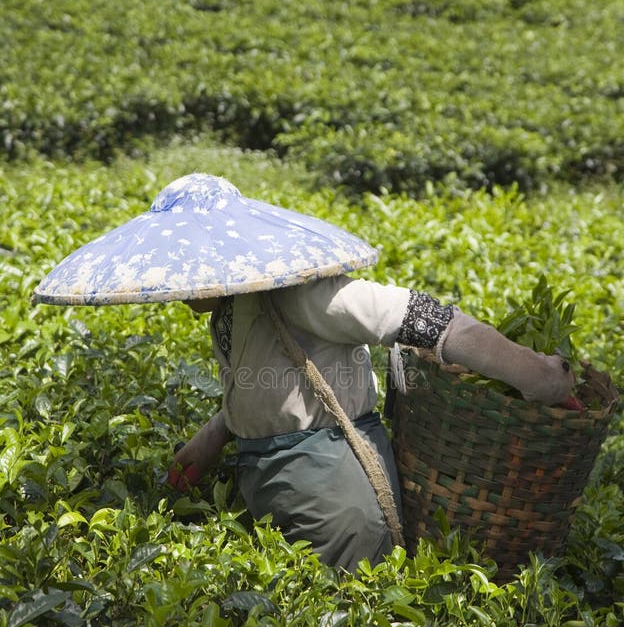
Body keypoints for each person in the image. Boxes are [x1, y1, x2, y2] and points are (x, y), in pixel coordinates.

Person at [168, 225, 575, 572]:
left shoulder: (303, 294)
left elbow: (426, 321)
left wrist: (537, 375)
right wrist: (214, 435)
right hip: (270, 485)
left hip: (333, 501)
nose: (175, 294)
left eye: (181, 276)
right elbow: (270, 387)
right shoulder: (234, 304)